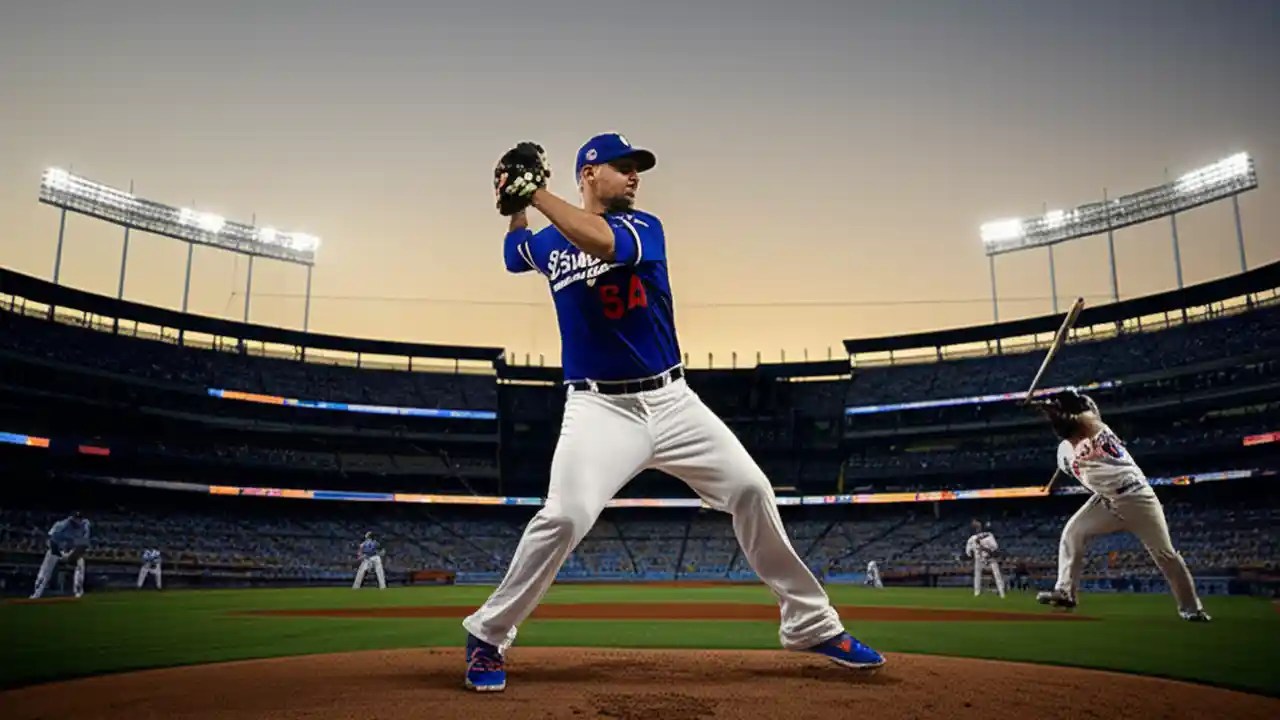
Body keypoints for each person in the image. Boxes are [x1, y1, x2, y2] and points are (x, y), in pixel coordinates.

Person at [463, 134, 884, 693]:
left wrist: (533, 195)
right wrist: (514, 207)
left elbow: (602, 244)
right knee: (564, 517)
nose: (635, 177)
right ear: (588, 174)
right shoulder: (549, 241)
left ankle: (810, 623)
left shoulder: (642, 229)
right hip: (597, 411)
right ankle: (488, 635)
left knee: (752, 491)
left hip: (673, 403)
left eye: (638, 169)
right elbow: (514, 255)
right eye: (624, 167)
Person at [1031, 389, 1209, 621]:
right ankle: (1066, 591)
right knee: (1072, 533)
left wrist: (1053, 411)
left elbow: (1073, 424)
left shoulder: (1095, 425)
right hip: (1108, 500)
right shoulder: (1065, 449)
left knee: (1165, 555)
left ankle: (1192, 609)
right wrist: (1053, 413)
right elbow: (1065, 432)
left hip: (1137, 497)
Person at [30, 511, 90, 599]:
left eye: (79, 519)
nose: (78, 521)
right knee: (46, 569)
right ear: (71, 518)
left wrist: (74, 554)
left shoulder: (85, 525)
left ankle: (78, 593)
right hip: (57, 549)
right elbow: (50, 540)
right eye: (76, 518)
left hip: (71, 550)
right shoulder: (61, 525)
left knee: (80, 563)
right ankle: (36, 594)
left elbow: (84, 543)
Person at [964, 520, 1006, 598]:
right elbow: (968, 552)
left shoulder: (988, 535)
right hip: (979, 559)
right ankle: (977, 592)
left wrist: (982, 548)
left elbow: (995, 549)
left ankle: (1001, 592)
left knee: (996, 574)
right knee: (978, 575)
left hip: (989, 558)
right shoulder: (973, 538)